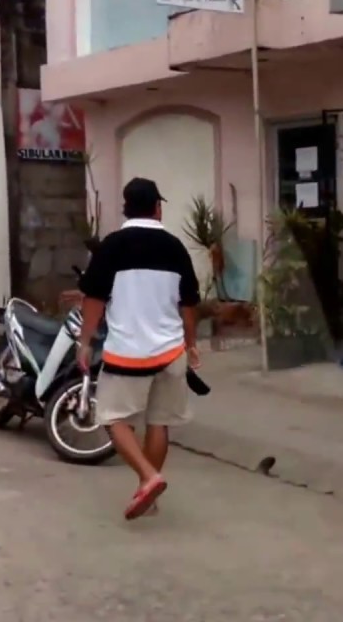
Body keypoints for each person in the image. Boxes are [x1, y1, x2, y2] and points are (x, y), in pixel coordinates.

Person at [76, 177, 201, 521]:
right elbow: (188, 303)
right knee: (159, 423)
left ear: (126, 208)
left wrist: (85, 342)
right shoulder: (175, 247)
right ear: (157, 208)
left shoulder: (112, 246)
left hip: (127, 354)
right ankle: (149, 491)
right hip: (170, 353)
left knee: (113, 417)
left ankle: (148, 478)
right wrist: (191, 345)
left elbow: (93, 299)